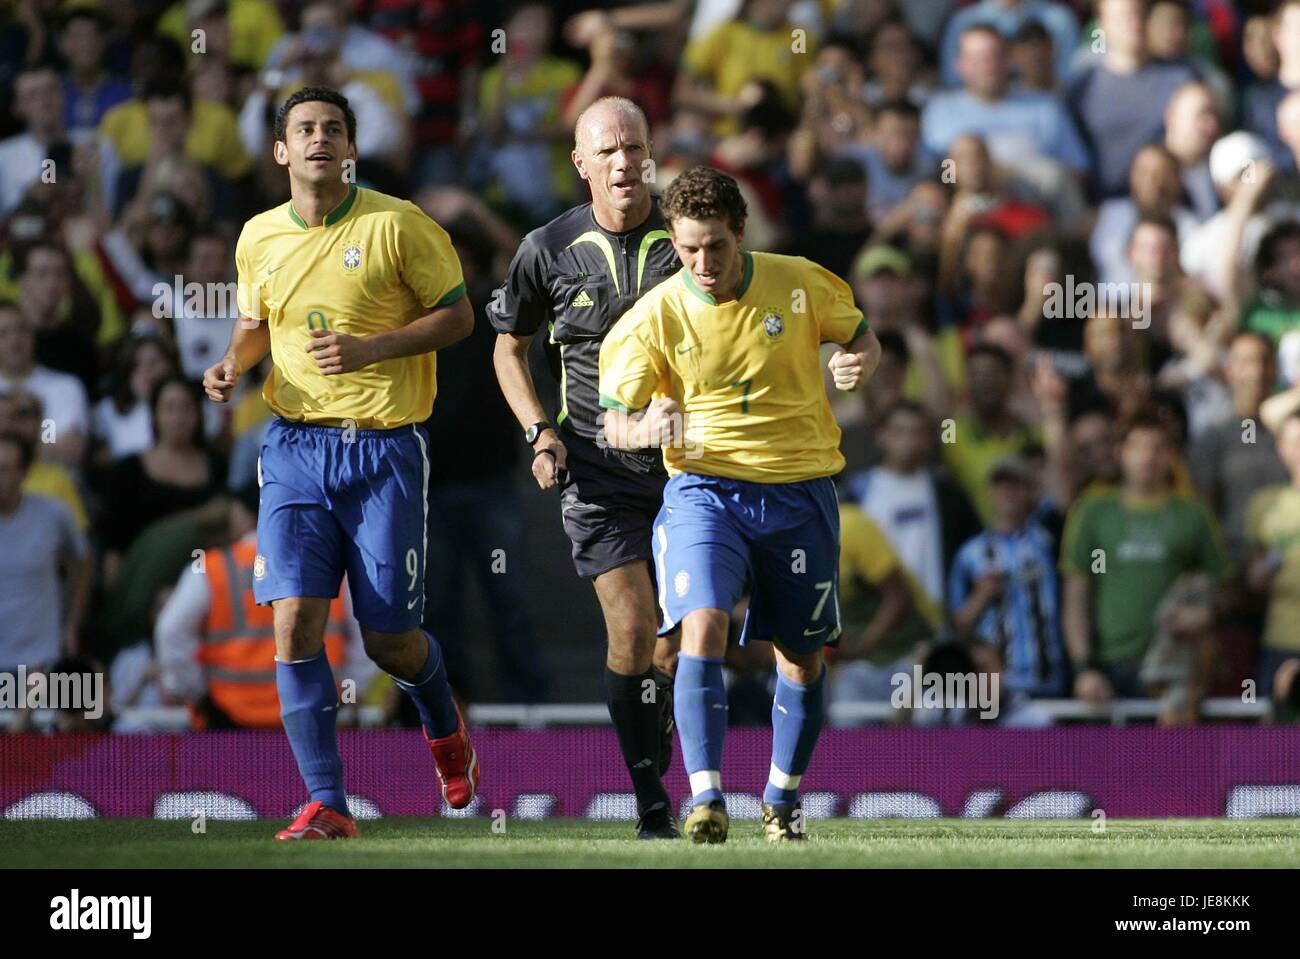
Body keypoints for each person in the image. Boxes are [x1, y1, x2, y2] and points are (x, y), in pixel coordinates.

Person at [200, 86, 476, 841]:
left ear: (351, 147)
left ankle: (442, 721)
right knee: (294, 623)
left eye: (332, 128)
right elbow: (256, 324)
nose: (319, 138)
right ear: (281, 150)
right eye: (304, 129)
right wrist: (232, 364)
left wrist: (370, 349)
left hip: (383, 447)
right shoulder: (258, 236)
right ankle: (328, 802)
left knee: (388, 641)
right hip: (294, 444)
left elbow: (459, 315)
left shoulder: (399, 223)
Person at [599, 165, 882, 843]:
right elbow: (613, 422)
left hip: (800, 490)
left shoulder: (801, 282)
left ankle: (781, 798)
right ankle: (706, 797)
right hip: (705, 490)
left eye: (716, 247)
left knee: (801, 658)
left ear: (741, 233)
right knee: (702, 624)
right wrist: (645, 428)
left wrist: (857, 363)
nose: (703, 263)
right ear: (673, 241)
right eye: (689, 249)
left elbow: (862, 338)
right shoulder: (655, 316)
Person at [489, 96, 683, 839]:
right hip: (597, 469)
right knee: (632, 630)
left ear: (650, 153)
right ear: (581, 164)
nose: (624, 162)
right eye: (607, 151)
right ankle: (652, 802)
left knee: (680, 639)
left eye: (634, 147)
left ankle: (659, 711)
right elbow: (509, 347)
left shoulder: (688, 237)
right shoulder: (546, 248)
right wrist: (540, 431)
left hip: (687, 463)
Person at [1060, 415, 1230, 721]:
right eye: (1138, 447)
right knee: (1111, 754)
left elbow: (1226, 587)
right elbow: (1076, 596)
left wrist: (1206, 614)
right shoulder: (1092, 512)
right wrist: (1083, 669)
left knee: (1174, 754)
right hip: (1109, 671)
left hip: (1176, 672)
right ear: (1120, 452)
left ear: (1172, 455)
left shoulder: (1193, 514)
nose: (1148, 457)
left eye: (1158, 447)